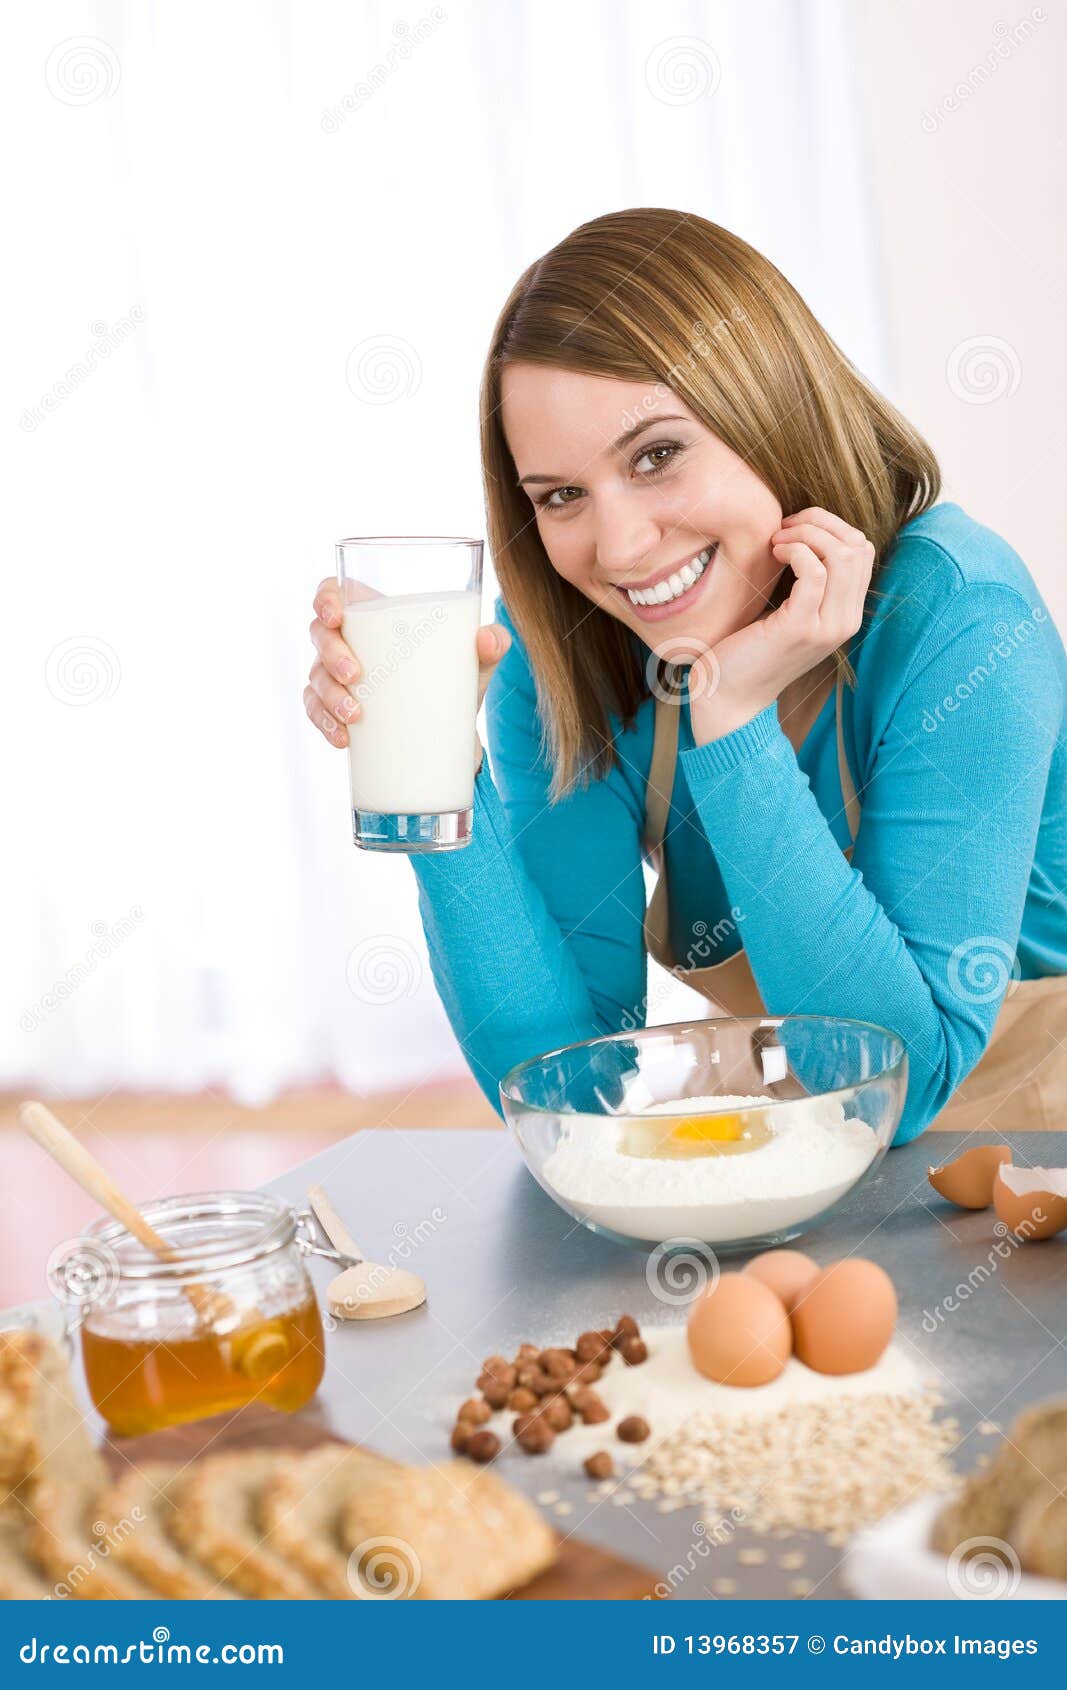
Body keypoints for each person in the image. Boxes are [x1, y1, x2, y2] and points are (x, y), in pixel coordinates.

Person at [305, 209, 1067, 1143]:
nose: (618, 549)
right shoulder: (566, 644)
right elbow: (563, 1086)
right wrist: (433, 777)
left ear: (770, 408)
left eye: (656, 456)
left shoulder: (960, 617)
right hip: (815, 1157)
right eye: (560, 496)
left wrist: (731, 716)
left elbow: (898, 1086)